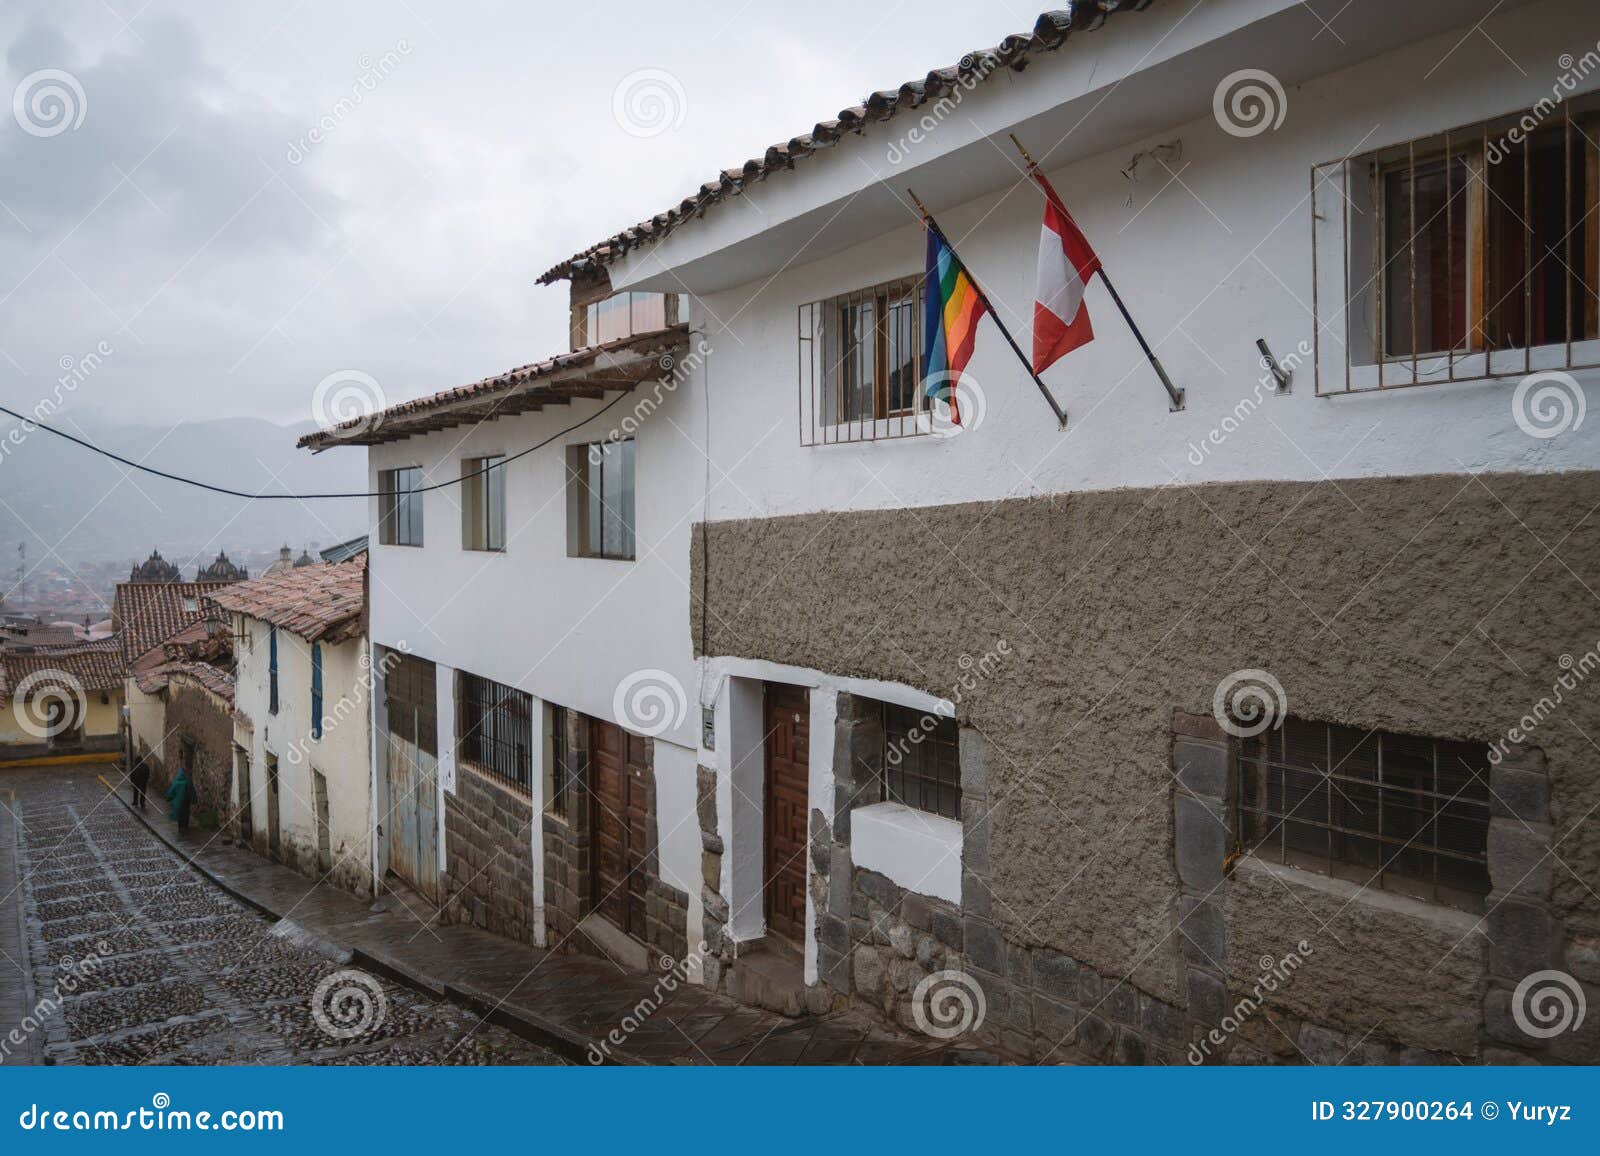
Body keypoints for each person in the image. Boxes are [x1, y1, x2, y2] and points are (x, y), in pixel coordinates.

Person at [166, 765, 197, 832]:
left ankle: (180, 828)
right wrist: (194, 800)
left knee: (179, 815)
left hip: (177, 803)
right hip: (185, 802)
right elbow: (192, 792)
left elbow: (170, 792)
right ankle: (185, 828)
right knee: (185, 814)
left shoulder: (176, 783)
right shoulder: (188, 782)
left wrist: (168, 798)